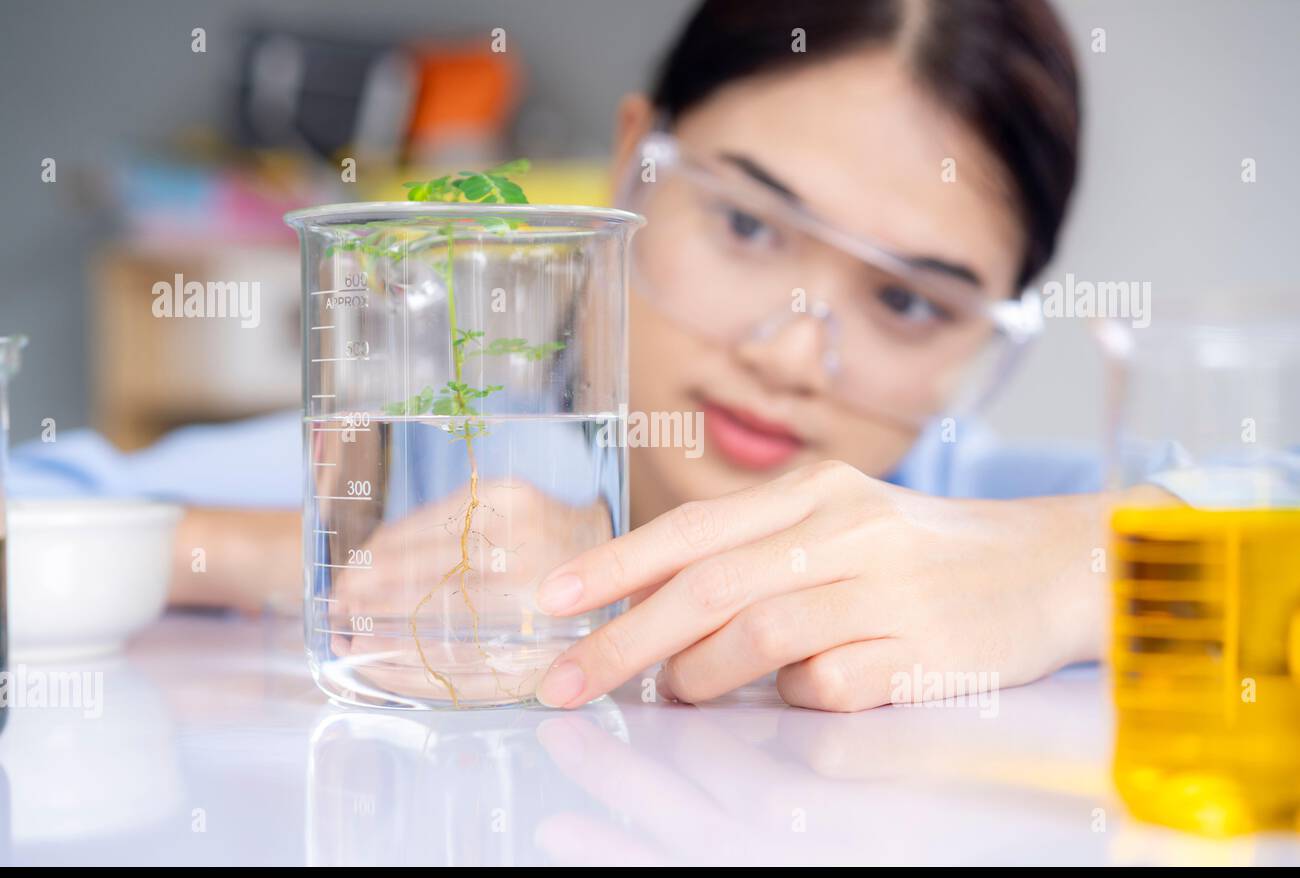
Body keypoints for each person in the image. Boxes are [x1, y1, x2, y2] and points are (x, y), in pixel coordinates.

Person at [11, 0, 1116, 711]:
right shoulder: (435, 460)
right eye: (746, 225)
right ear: (632, 164)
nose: (790, 352)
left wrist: (1077, 567)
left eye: (903, 300)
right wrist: (317, 554)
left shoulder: (969, 509)